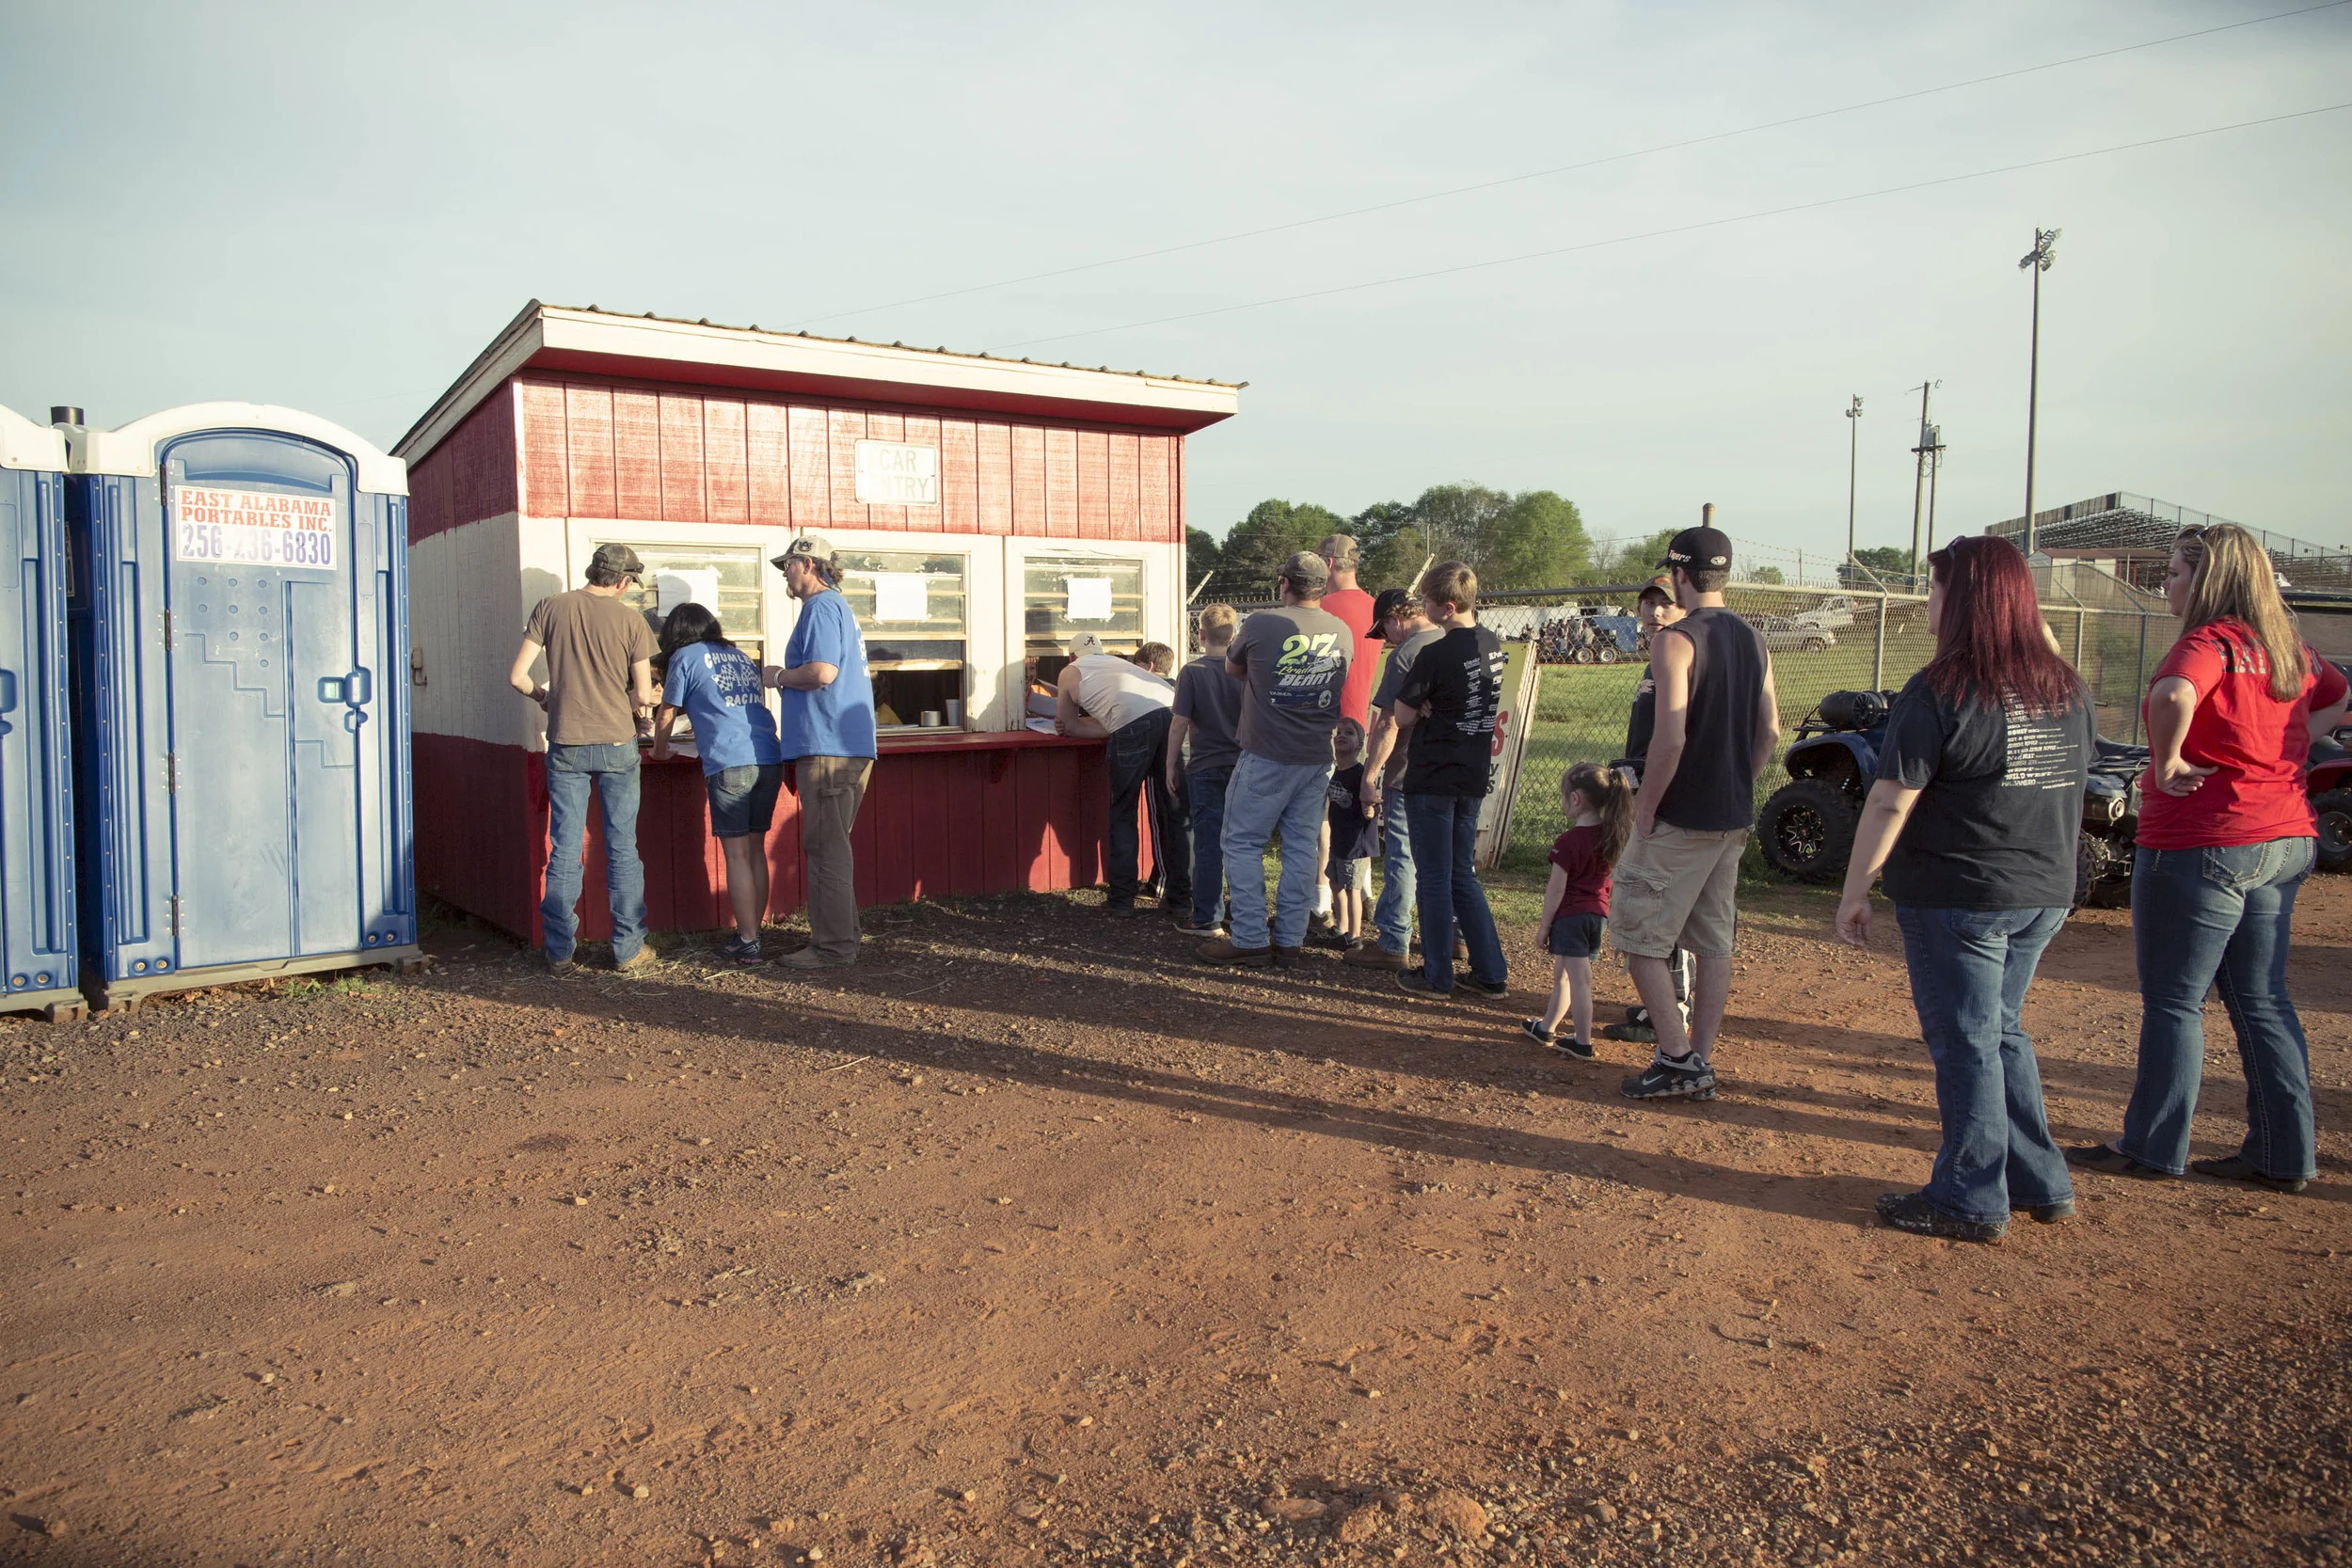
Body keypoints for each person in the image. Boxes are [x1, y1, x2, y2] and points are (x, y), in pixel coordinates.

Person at [2070, 523, 2350, 1194]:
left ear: (2209, 579)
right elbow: (2339, 697)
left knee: (2174, 999)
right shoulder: (2286, 646)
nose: (2165, 583)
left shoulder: (2209, 642)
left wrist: (2165, 762)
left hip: (2206, 838)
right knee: (2261, 998)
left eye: (2173, 572)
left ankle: (2152, 1145)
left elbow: (2172, 695)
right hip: (2283, 837)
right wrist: (2284, 741)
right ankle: (2285, 1153)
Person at [1835, 536, 2093, 1243]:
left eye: (1937, 587)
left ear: (1969, 598)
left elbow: (1890, 800)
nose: (1928, 601)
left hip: (1965, 894)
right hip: (2042, 889)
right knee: (2000, 1030)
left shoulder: (1941, 688)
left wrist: (1856, 887)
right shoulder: (2064, 685)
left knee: (1967, 1040)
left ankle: (1971, 1196)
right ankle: (2039, 1179)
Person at [1614, 519, 1777, 1100]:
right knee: (1712, 943)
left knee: (1638, 936)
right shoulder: (1753, 638)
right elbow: (1770, 732)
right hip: (1731, 816)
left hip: (1680, 818)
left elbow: (1670, 739)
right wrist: (1736, 783)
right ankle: (1697, 1058)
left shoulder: (1675, 639)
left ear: (1680, 574)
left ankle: (1679, 1059)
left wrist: (1648, 806)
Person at [1197, 551, 1353, 968]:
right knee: (1302, 848)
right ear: (1323, 585)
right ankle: (1289, 940)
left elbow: (1233, 669)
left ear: (1284, 582)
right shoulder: (1341, 630)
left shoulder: (1261, 623)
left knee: (1242, 842)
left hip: (1267, 752)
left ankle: (1249, 938)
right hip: (1317, 756)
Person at [508, 542, 660, 973]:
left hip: (566, 742)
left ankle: (559, 952)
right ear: (624, 580)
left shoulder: (550, 608)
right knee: (622, 848)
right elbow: (643, 695)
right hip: (617, 742)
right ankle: (628, 949)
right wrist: (644, 703)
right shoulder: (631, 621)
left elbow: (518, 677)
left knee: (564, 849)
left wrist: (545, 697)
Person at [1389, 562, 1510, 1000]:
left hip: (1434, 772)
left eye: (1428, 601)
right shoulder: (1492, 643)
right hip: (1472, 772)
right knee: (1463, 874)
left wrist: (1421, 708)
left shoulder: (1435, 653)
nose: (1422, 606)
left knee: (1434, 877)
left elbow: (1401, 715)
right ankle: (1490, 972)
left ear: (1448, 607)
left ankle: (1437, 974)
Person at [651, 602, 786, 966]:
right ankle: (753, 934)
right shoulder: (739, 655)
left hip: (729, 761)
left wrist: (660, 750)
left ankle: (748, 941)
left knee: (737, 854)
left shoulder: (684, 656)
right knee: (756, 850)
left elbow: (667, 710)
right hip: (769, 757)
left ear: (675, 634)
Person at [765, 535, 877, 969]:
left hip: (829, 745)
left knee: (826, 848)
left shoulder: (821, 607)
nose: (784, 575)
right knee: (834, 845)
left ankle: (832, 947)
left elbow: (823, 672)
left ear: (808, 564)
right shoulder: (838, 608)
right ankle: (843, 936)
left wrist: (778, 676)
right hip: (844, 745)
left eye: (787, 566)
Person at [1606, 575, 1693, 1044]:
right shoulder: (1657, 658)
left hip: (1668, 797)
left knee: (1665, 906)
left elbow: (1674, 738)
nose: (1655, 611)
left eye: (1666, 604)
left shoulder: (1679, 655)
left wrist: (1650, 794)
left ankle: (1674, 1008)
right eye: (1649, 602)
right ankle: (1663, 1003)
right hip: (1648, 785)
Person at [1058, 641, 1188, 917]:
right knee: (1175, 810)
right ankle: (1181, 899)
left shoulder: (1070, 671)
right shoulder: (1119, 665)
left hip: (1132, 727)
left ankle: (1122, 899)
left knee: (1124, 811)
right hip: (1171, 716)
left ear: (1071, 656)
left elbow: (1068, 726)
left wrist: (1078, 726)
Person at [1350, 588, 1442, 971]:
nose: (1386, 639)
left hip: (1408, 769)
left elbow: (1388, 722)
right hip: (1451, 769)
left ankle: (1393, 942)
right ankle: (1452, 938)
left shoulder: (1407, 653)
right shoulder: (1451, 639)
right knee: (1445, 856)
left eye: (1384, 629)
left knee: (1403, 855)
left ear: (1395, 617)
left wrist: (1370, 774)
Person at [1524, 762, 1633, 1059]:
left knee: (1580, 980)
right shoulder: (1611, 836)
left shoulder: (1569, 841)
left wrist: (1545, 926)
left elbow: (1556, 890)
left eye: (1563, 796)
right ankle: (1546, 1027)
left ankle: (1583, 1041)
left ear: (1575, 799)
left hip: (1571, 917)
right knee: (1564, 975)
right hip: (1596, 916)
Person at [1168, 605, 1246, 937]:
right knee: (1244, 842)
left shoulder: (1193, 671)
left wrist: (1171, 762)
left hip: (1205, 765)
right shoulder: (1245, 671)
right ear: (1235, 635)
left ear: (1200, 635)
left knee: (1209, 843)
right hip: (1244, 764)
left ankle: (1206, 917)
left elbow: (1180, 723)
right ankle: (1243, 915)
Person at [1325, 718, 1372, 949]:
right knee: (1335, 884)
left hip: (1355, 844)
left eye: (1349, 733)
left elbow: (1371, 802)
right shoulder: (1336, 772)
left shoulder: (1360, 774)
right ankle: (1341, 928)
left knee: (1353, 889)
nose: (1341, 736)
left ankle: (1355, 936)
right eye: (1339, 732)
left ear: (1360, 744)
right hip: (1338, 841)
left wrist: (1371, 809)